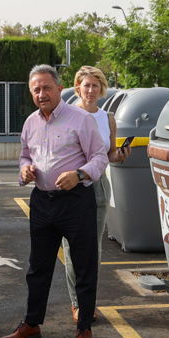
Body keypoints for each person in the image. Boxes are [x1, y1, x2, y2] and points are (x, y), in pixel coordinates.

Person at [2, 65, 108, 338]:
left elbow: (99, 157)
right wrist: (24, 170)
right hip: (42, 202)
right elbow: (25, 155)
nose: (41, 94)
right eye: (36, 89)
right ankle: (32, 324)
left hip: (76, 202)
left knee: (84, 266)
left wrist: (80, 175)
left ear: (60, 89)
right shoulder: (30, 123)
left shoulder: (81, 119)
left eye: (46, 87)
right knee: (38, 267)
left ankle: (84, 327)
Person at [60, 65, 130, 322]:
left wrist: (119, 156)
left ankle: (88, 302)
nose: (90, 90)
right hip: (72, 186)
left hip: (98, 187)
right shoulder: (66, 115)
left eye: (95, 85)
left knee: (93, 250)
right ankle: (77, 303)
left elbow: (108, 154)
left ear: (102, 89)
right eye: (86, 85)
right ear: (77, 87)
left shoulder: (107, 118)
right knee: (71, 249)